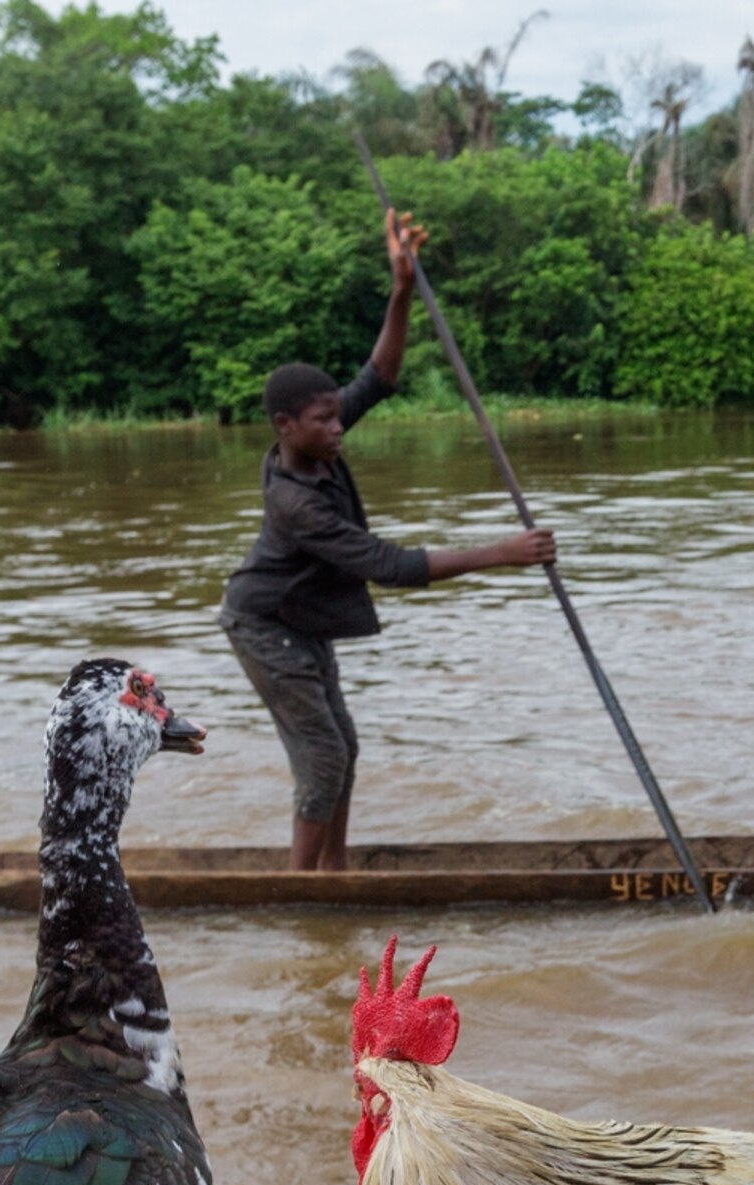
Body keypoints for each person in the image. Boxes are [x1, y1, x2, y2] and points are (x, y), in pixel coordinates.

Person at [223, 210, 556, 872]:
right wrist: (503, 553)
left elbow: (381, 375)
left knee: (344, 743)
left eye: (335, 415)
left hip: (302, 619)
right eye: (324, 420)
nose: (338, 427)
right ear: (288, 425)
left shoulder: (313, 443)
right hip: (263, 625)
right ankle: (300, 889)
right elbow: (390, 566)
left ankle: (335, 873)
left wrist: (401, 288)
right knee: (322, 754)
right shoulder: (295, 504)